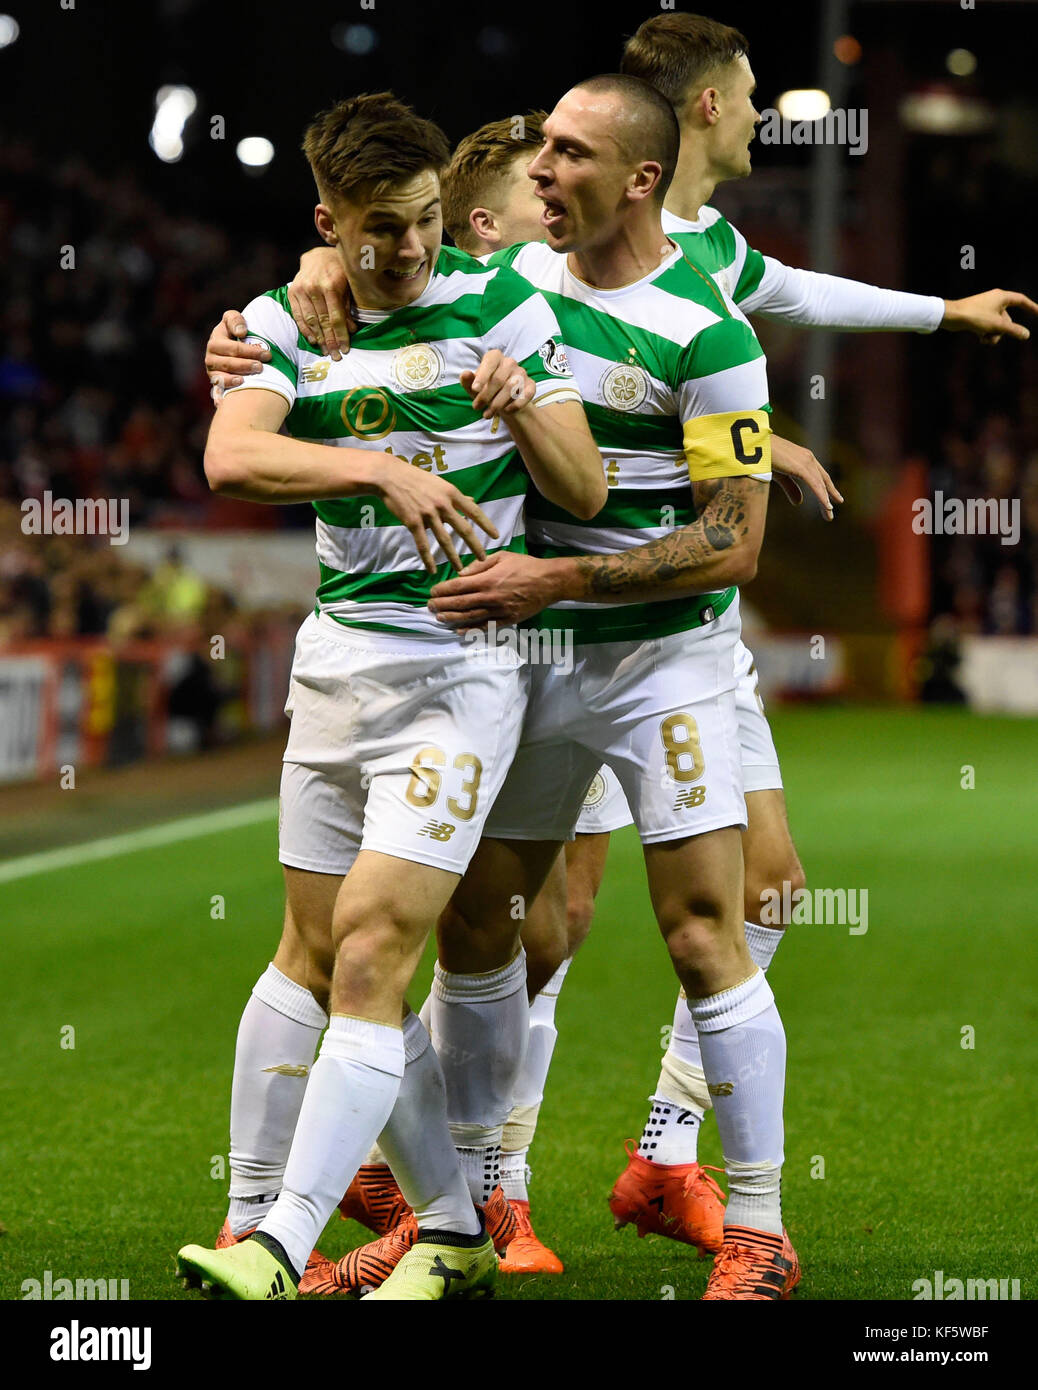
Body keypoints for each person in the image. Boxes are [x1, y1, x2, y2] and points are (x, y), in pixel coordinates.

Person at [175, 89, 606, 1303]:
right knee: (307, 955)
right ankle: (426, 1224)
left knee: (370, 945)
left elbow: (575, 485)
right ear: (330, 219)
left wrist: (523, 404)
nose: (407, 247)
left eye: (422, 221)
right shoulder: (287, 315)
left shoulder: (504, 305)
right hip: (335, 666)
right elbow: (232, 455)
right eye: (378, 228)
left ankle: (281, 1243)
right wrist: (373, 464)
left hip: (463, 673)